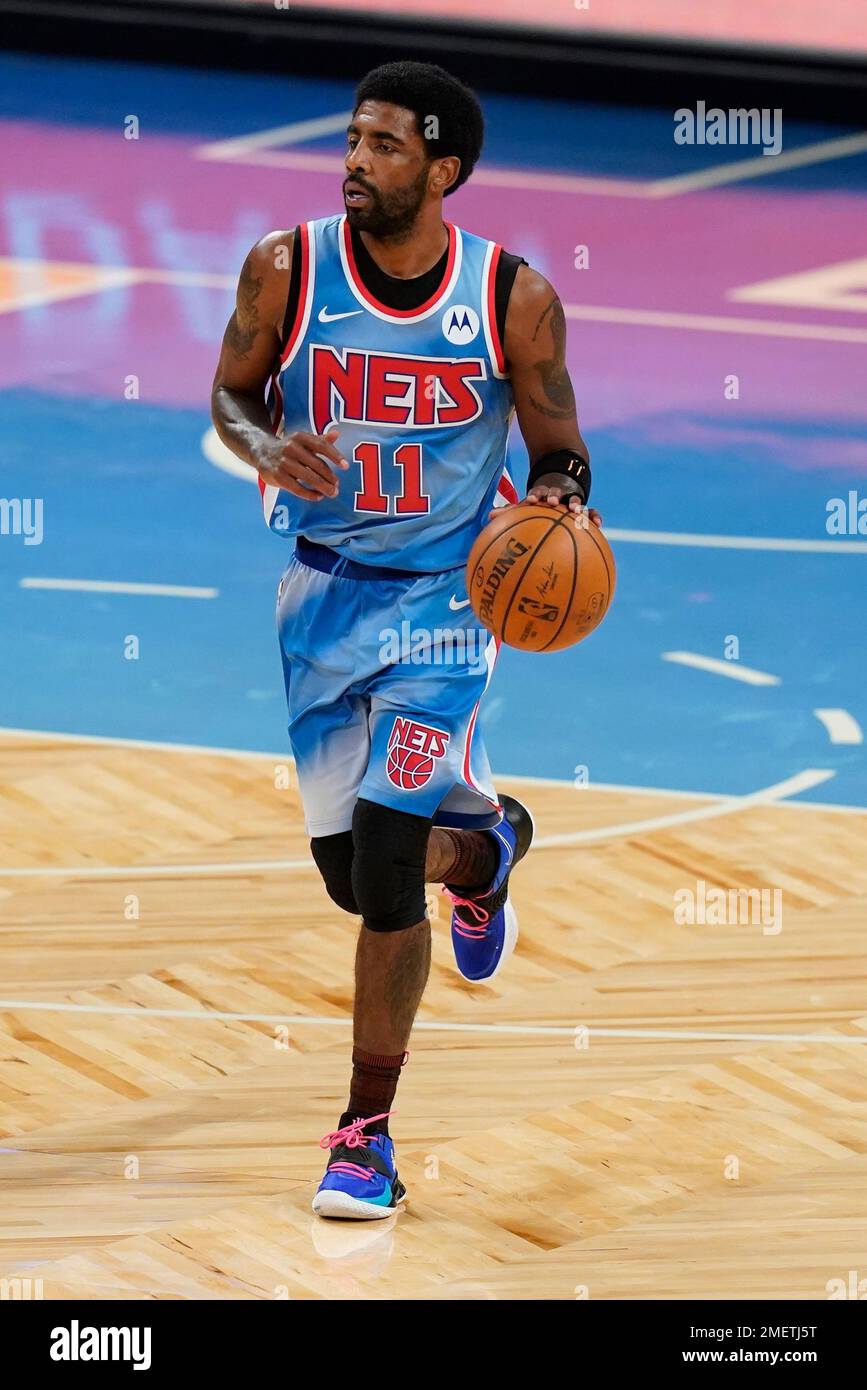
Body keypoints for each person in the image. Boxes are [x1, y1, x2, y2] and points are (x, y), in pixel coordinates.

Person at [211, 60, 601, 1219]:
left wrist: (559, 503)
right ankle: (487, 853)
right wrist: (264, 445)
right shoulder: (284, 267)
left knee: (385, 869)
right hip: (319, 597)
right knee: (352, 879)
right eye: (352, 138)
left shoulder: (512, 297)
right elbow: (229, 397)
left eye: (385, 146)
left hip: (445, 606)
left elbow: (561, 449)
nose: (356, 162)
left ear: (444, 170)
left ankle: (363, 1136)